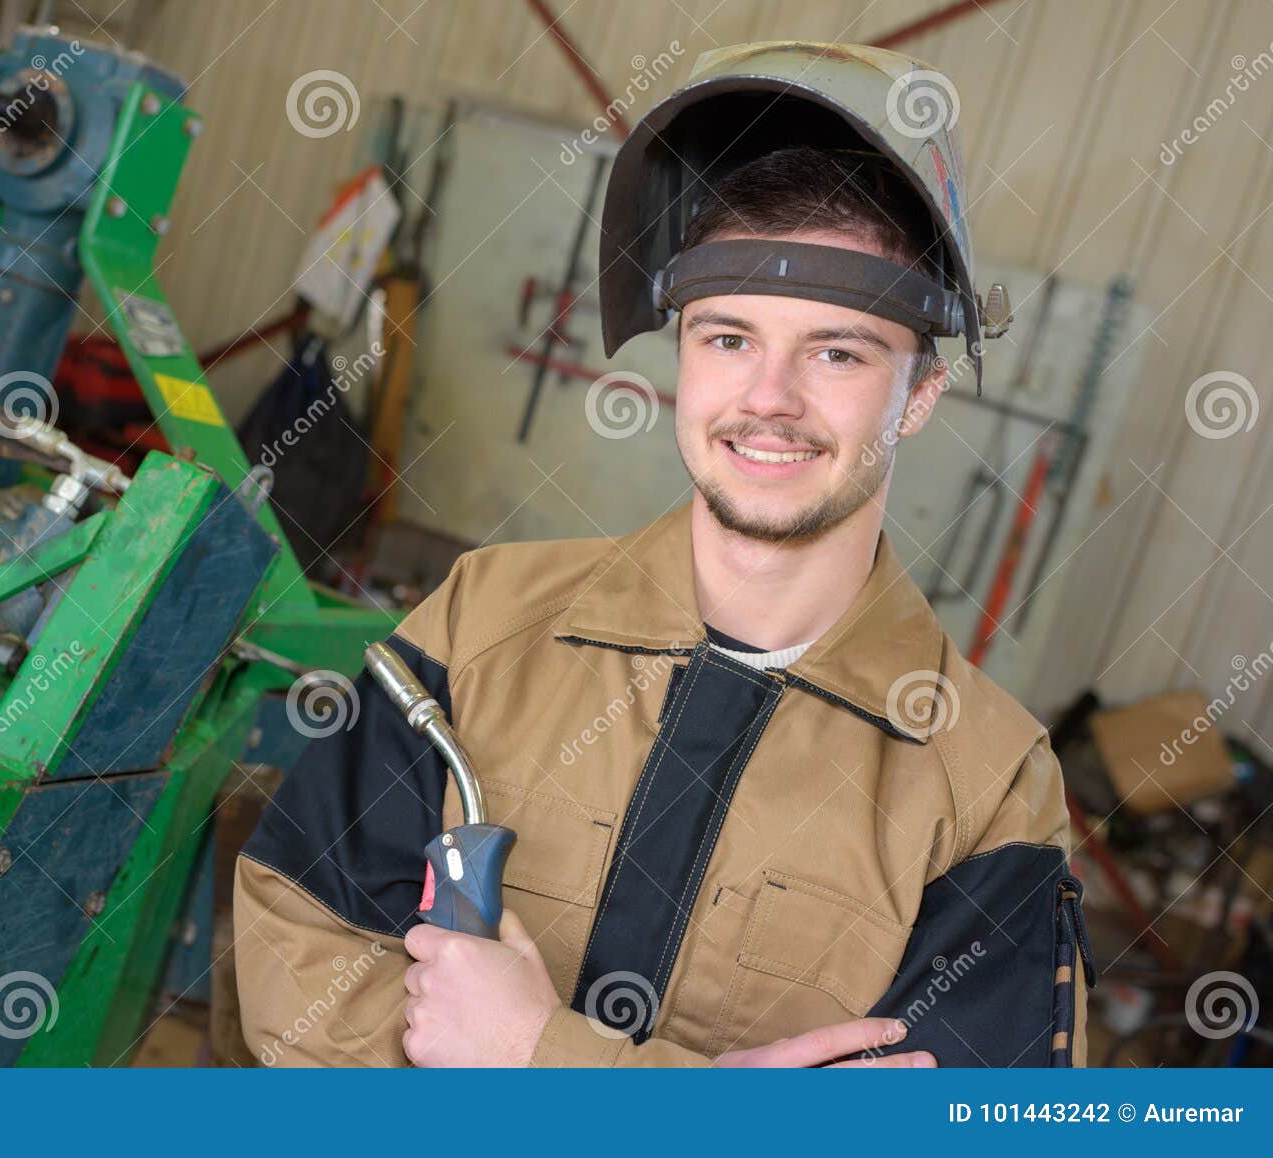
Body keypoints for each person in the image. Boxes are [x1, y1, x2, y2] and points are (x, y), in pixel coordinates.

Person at [234, 40, 1093, 1068]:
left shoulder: (985, 783)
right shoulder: (482, 623)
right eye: (728, 337)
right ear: (681, 359)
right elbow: (301, 951)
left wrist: (537, 1059)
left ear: (917, 395)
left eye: (836, 352)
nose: (768, 397)